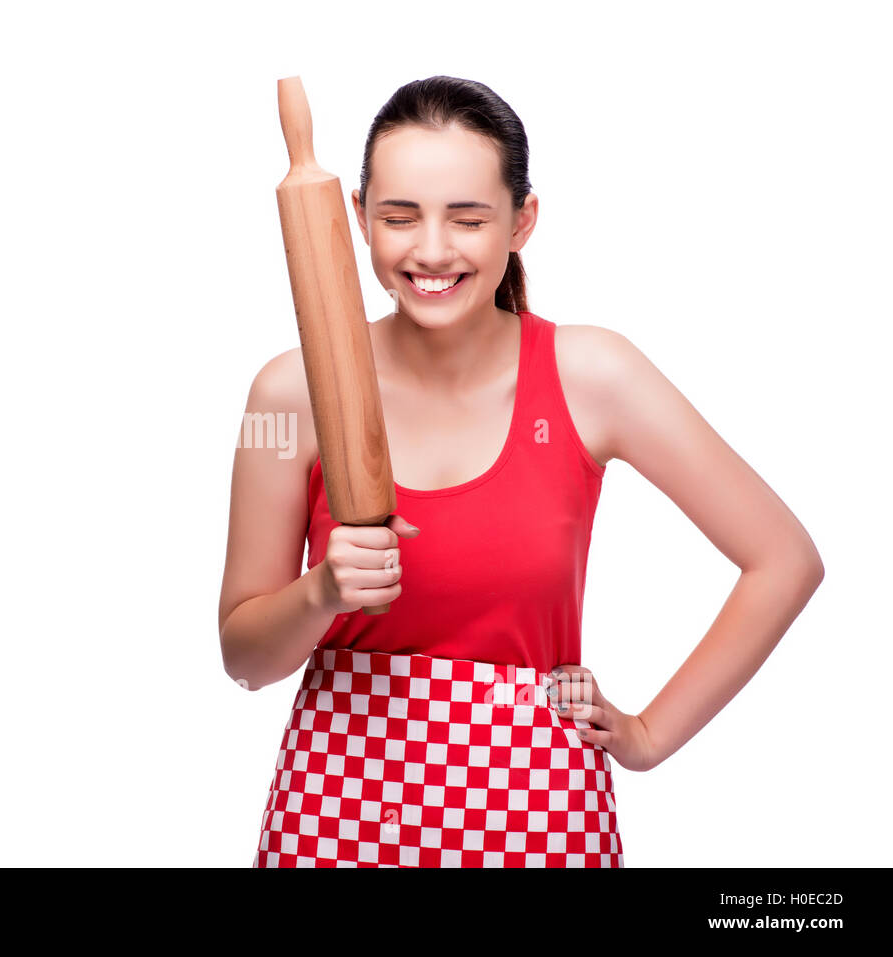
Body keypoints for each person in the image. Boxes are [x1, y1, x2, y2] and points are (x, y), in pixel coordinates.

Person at [219, 76, 824, 867]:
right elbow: (242, 657)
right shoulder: (283, 396)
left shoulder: (593, 373)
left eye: (467, 218)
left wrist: (647, 735)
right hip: (335, 806)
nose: (431, 249)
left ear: (521, 221)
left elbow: (784, 560)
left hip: (539, 807)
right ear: (360, 216)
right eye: (400, 216)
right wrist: (319, 593)